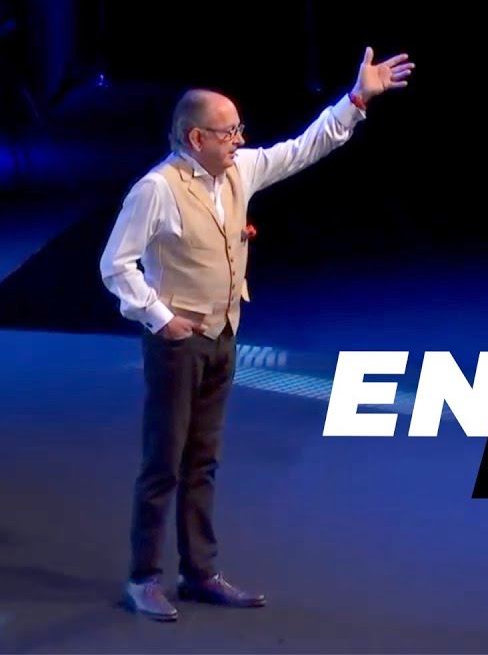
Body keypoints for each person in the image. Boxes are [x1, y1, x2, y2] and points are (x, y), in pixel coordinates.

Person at [100, 47, 414, 621]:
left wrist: (356, 99)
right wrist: (160, 317)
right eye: (229, 132)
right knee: (163, 462)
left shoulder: (238, 171)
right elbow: (115, 264)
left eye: (239, 129)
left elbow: (303, 148)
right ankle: (143, 577)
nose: (240, 140)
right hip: (178, 342)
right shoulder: (157, 189)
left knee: (203, 460)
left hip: (224, 332)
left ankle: (199, 571)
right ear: (195, 137)